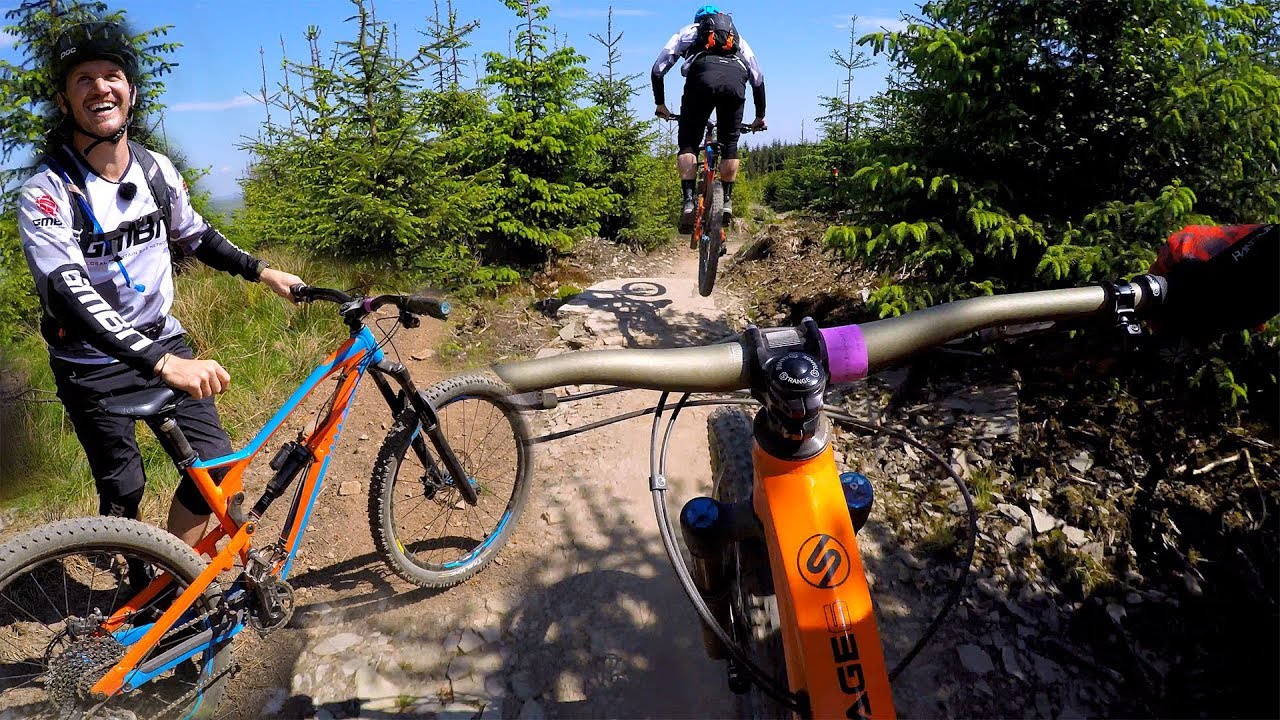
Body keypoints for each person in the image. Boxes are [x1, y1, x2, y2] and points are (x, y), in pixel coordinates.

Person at [16, 21, 304, 547]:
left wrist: (262, 271)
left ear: (130, 92)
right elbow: (66, 292)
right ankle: (135, 577)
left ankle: (179, 578)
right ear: (64, 101)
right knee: (123, 489)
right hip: (90, 362)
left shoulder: (155, 170)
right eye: (84, 79)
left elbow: (196, 235)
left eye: (112, 75)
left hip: (162, 337)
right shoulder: (46, 192)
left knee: (216, 470)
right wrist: (163, 364)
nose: (100, 87)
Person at [652, 4, 766, 232]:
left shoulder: (689, 31)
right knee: (730, 144)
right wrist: (759, 116)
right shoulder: (738, 39)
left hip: (701, 80)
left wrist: (660, 104)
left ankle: (688, 200)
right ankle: (726, 201)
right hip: (736, 80)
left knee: (688, 144)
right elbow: (758, 78)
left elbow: (658, 68)